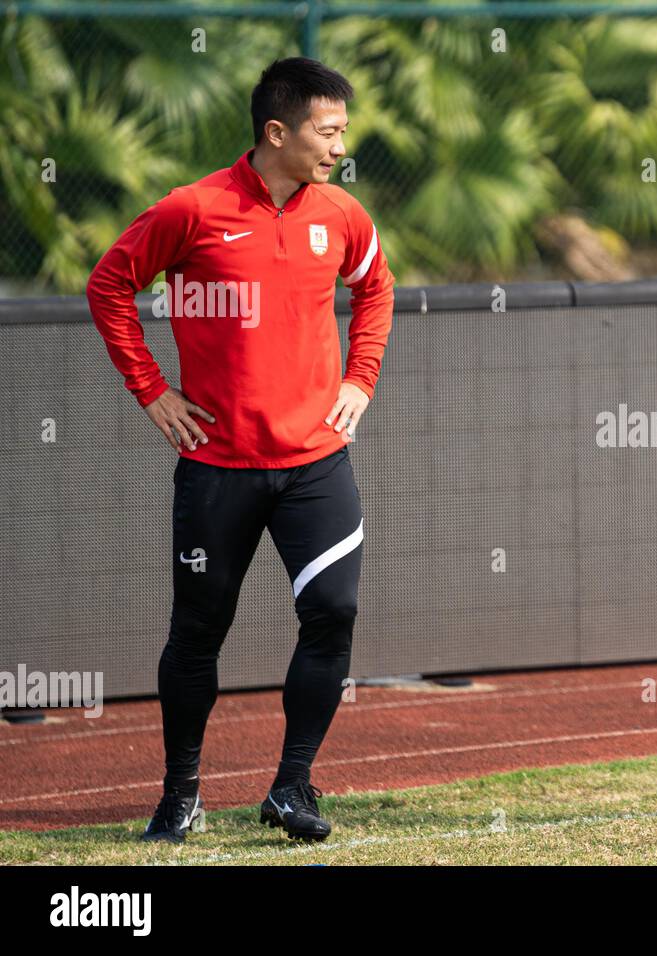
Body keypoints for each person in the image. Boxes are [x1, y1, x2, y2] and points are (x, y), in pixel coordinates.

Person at [86, 57, 395, 842]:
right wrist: (152, 389)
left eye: (342, 133)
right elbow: (109, 284)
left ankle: (292, 788)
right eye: (328, 132)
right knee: (196, 633)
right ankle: (181, 793)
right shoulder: (193, 209)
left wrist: (361, 377)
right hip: (219, 471)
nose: (338, 147)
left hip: (317, 464)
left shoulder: (342, 215)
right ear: (276, 131)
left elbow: (377, 288)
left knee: (334, 614)